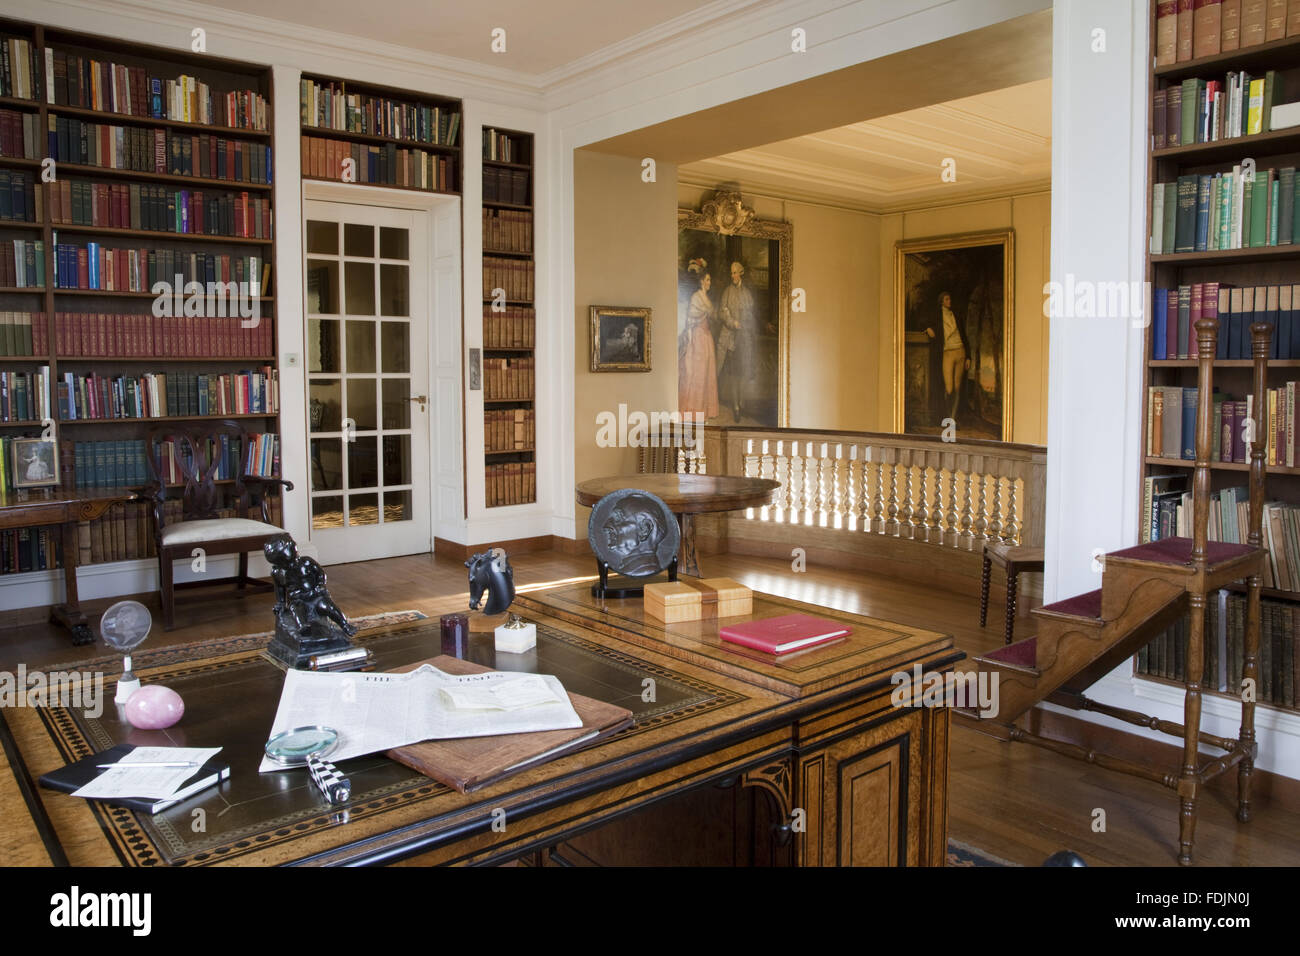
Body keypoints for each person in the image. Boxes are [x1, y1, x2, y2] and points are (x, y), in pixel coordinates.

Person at [717, 261, 757, 421]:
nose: (733, 275)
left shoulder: (747, 293)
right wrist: (733, 322)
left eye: (735, 272)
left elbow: (751, 315)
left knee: (743, 372)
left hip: (744, 339)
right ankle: (735, 407)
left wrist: (747, 325)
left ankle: (742, 402)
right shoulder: (727, 292)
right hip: (731, 338)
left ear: (741, 273)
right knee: (733, 373)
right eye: (731, 273)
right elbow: (722, 312)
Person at [678, 271, 719, 418]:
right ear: (702, 281)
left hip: (707, 337)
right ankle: (693, 412)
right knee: (698, 374)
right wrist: (702, 316)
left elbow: (712, 315)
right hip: (698, 338)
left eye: (710, 280)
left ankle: (704, 411)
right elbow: (691, 317)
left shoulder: (705, 297)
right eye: (707, 280)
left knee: (706, 374)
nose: (709, 282)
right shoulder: (696, 297)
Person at [925, 291, 970, 421]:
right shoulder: (937, 315)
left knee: (957, 388)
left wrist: (968, 357)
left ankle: (952, 419)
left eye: (950, 299)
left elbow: (964, 336)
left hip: (961, 351)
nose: (950, 301)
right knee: (949, 388)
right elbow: (924, 323)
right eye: (947, 299)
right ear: (942, 302)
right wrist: (928, 329)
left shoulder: (956, 315)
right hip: (948, 353)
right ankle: (947, 417)